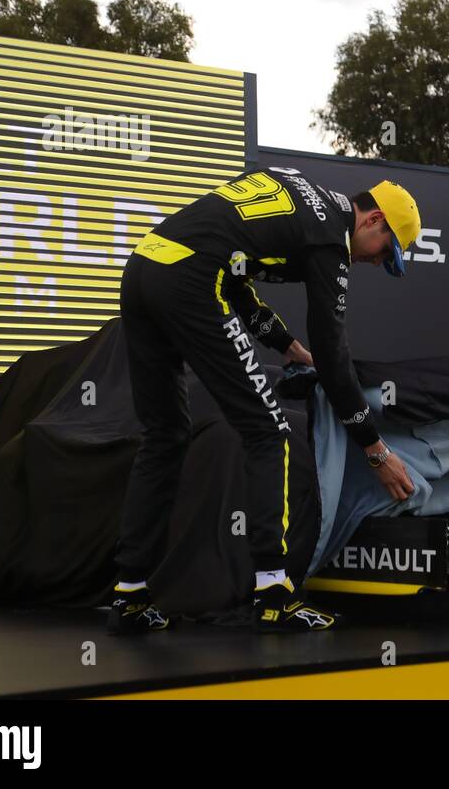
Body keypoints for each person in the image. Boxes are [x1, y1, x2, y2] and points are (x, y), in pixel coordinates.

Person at [107, 168, 421, 633]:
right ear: (373, 219)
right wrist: (376, 452)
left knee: (166, 436)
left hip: (143, 269)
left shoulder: (301, 191)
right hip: (191, 279)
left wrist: (287, 347)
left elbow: (235, 278)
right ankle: (275, 595)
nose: (376, 263)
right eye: (384, 253)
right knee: (269, 433)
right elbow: (334, 358)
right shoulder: (331, 239)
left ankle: (129, 593)